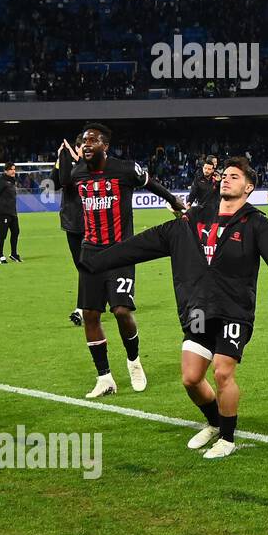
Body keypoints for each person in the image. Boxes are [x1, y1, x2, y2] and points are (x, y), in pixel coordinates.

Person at [81, 158, 268, 459]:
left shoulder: (255, 222)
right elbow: (145, 243)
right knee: (190, 378)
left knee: (223, 372)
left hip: (234, 311)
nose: (226, 179)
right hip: (199, 310)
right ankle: (215, 422)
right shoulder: (193, 220)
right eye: (224, 175)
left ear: (248, 187)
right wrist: (94, 263)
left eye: (234, 176)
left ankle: (227, 439)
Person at [70, 122, 186, 398]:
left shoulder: (124, 169)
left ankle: (133, 361)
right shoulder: (76, 174)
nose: (87, 144)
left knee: (122, 311)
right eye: (84, 141)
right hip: (91, 252)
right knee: (90, 314)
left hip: (121, 250)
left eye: (93, 140)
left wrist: (174, 202)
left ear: (105, 146)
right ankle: (105, 378)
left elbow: (151, 183)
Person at [54, 136, 87, 324]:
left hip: (90, 223)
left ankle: (81, 309)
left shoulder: (89, 166)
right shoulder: (67, 164)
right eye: (81, 147)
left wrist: (78, 160)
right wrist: (61, 161)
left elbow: (82, 175)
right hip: (71, 223)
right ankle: (101, 293)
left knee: (85, 266)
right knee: (81, 266)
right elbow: (55, 183)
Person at [0, 163, 18, 263]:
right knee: (2, 234)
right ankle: (0, 255)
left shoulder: (12, 181)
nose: (13, 171)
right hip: (3, 212)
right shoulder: (1, 181)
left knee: (16, 232)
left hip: (13, 212)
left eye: (14, 169)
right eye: (11, 169)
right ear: (6, 171)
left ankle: (14, 254)